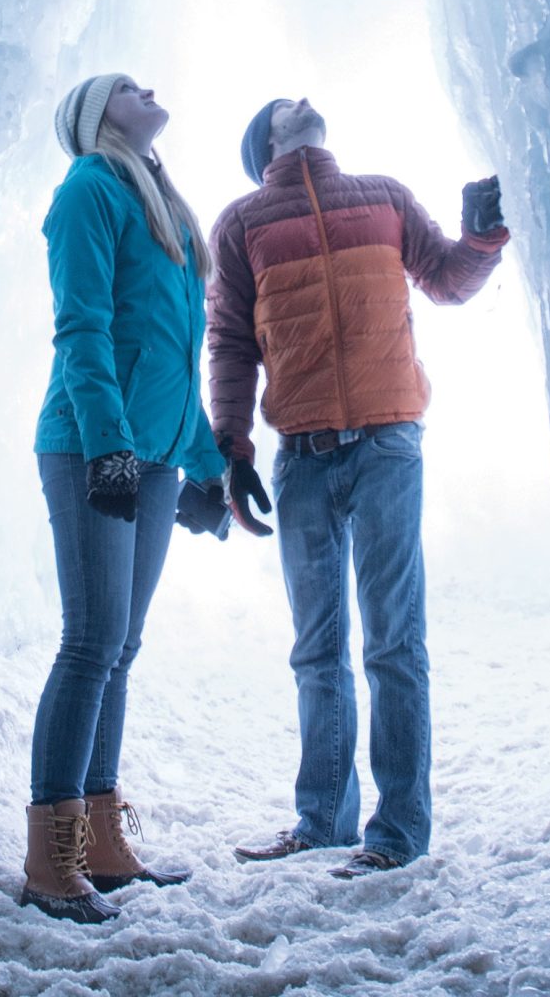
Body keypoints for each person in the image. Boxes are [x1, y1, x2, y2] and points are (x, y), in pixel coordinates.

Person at [208, 95, 509, 877]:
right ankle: (322, 822)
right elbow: (232, 345)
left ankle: (397, 833)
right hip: (302, 456)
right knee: (317, 650)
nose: (302, 100)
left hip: (387, 444)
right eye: (282, 105)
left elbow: (445, 279)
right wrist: (232, 450)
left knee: (394, 644)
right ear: (266, 141)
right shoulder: (242, 225)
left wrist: (481, 237)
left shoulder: (383, 195)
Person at [24, 72, 233, 923]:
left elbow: (173, 362)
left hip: (150, 459)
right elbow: (83, 328)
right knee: (91, 640)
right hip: (88, 445)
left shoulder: (167, 208)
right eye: (123, 85)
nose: (147, 86)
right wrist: (108, 445)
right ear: (92, 118)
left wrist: (207, 464)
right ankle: (51, 861)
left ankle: (103, 842)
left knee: (123, 644)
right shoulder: (87, 190)